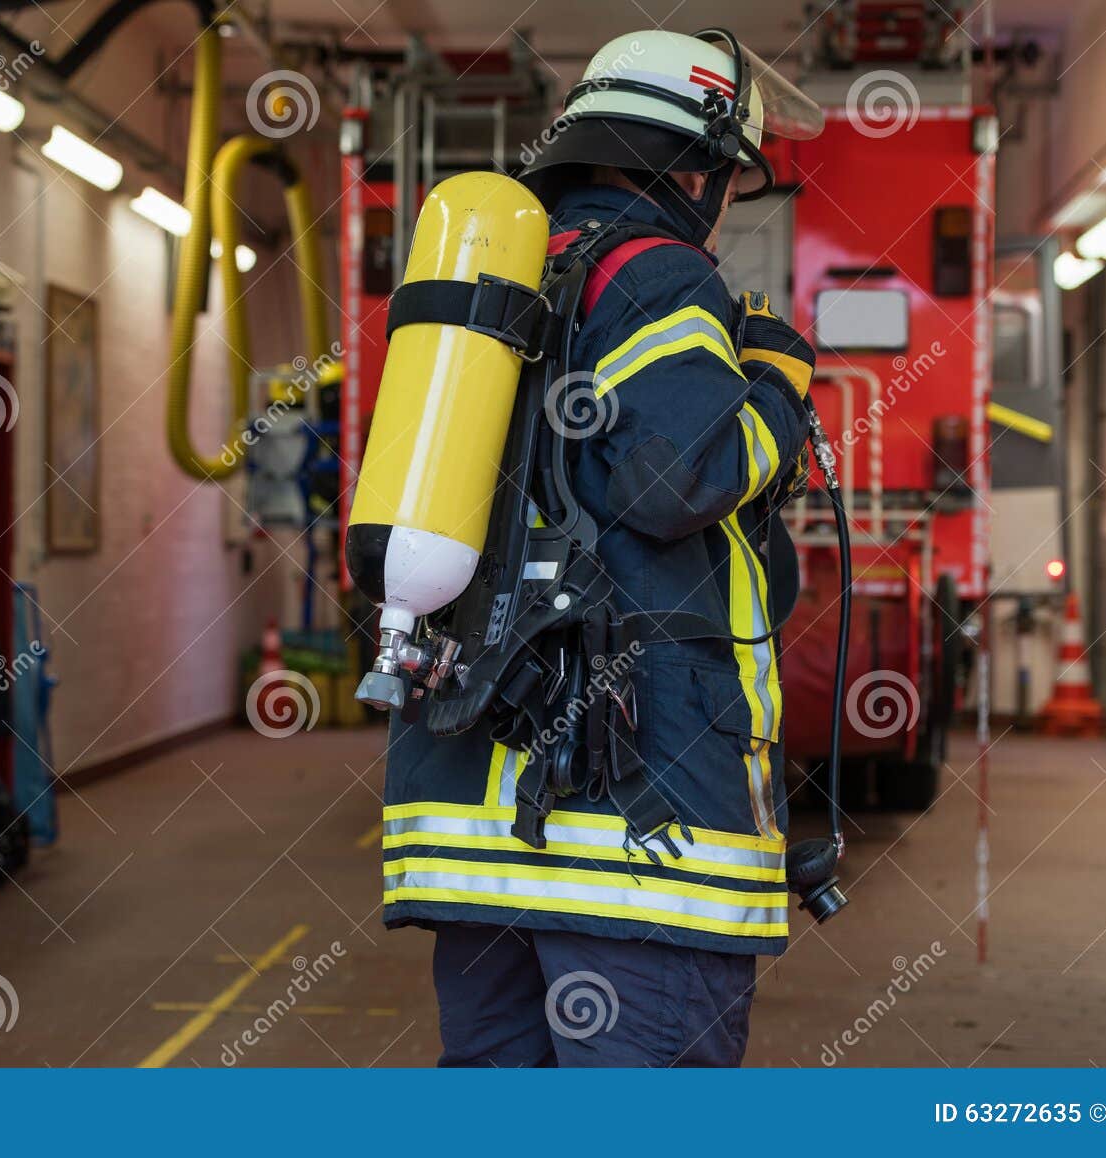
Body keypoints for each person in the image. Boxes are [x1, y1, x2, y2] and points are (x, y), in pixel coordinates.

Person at [380, 28, 824, 1066]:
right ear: (704, 169)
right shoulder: (659, 277)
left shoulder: (494, 285)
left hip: (466, 825)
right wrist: (777, 390)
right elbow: (676, 482)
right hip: (632, 829)